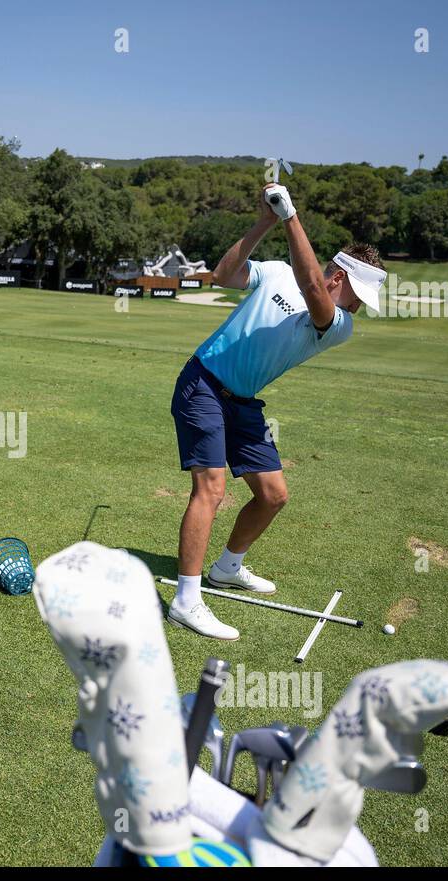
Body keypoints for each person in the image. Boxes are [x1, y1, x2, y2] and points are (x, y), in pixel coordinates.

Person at [167, 183, 385, 640]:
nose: (360, 306)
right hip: (203, 383)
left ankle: (227, 567)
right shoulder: (278, 273)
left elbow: (312, 289)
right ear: (341, 277)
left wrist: (290, 216)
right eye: (360, 293)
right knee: (211, 489)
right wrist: (265, 222)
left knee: (273, 495)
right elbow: (224, 275)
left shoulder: (339, 324)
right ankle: (186, 601)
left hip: (243, 403)